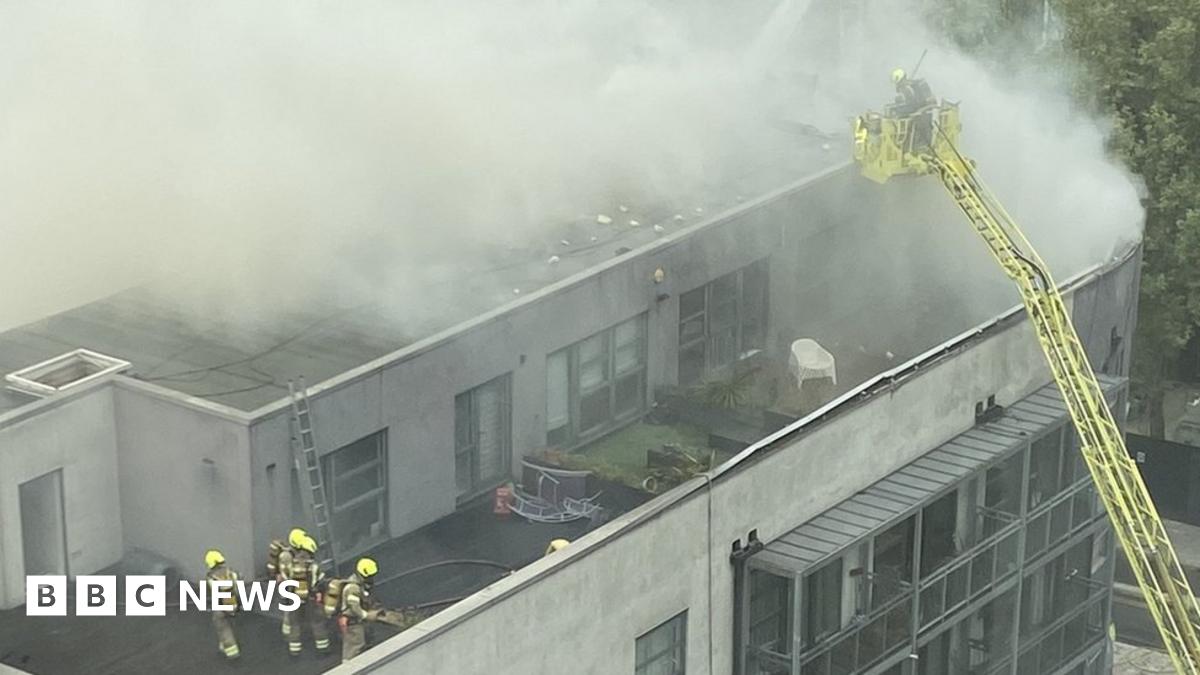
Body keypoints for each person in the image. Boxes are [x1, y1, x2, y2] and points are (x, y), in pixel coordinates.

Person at [281, 534, 330, 656]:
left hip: (293, 599)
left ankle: (294, 650)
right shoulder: (314, 567)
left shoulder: (292, 565)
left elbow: (285, 580)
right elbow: (321, 582)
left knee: (294, 624)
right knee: (317, 623)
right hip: (311, 600)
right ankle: (322, 648)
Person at [338, 557, 380, 663]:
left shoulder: (360, 585)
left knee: (361, 645)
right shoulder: (353, 588)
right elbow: (354, 607)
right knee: (353, 649)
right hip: (353, 623)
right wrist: (366, 615)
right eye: (369, 576)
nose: (371, 578)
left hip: (358, 622)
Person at [204, 549, 241, 660]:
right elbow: (237, 589)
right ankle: (223, 645)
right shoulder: (231, 572)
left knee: (223, 627)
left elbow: (213, 595)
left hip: (221, 607)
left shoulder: (211, 577)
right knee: (229, 624)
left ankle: (232, 652)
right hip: (233, 604)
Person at [891, 68, 937, 150]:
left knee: (919, 126)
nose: (900, 87)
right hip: (921, 114)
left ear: (903, 79)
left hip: (923, 115)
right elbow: (911, 105)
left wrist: (899, 111)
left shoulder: (914, 88)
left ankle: (922, 147)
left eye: (900, 84)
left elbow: (915, 105)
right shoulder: (910, 88)